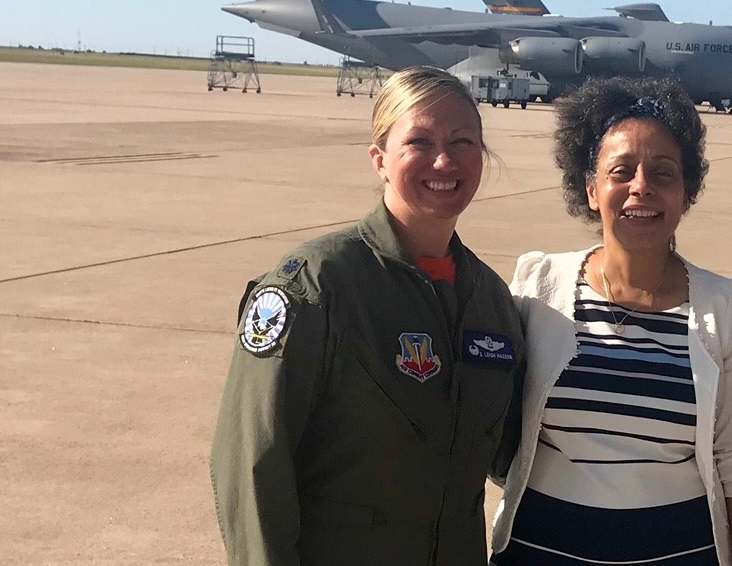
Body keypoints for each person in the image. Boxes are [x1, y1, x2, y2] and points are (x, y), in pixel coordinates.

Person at [211, 67, 524, 566]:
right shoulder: (317, 286)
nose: (444, 159)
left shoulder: (490, 302)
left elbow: (516, 456)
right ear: (379, 159)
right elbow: (253, 465)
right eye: (419, 141)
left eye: (463, 140)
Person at [491, 77, 732, 566]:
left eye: (663, 173)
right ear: (592, 188)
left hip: (677, 552)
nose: (641, 185)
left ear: (686, 193)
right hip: (539, 549)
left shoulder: (728, 308)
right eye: (621, 171)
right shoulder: (539, 287)